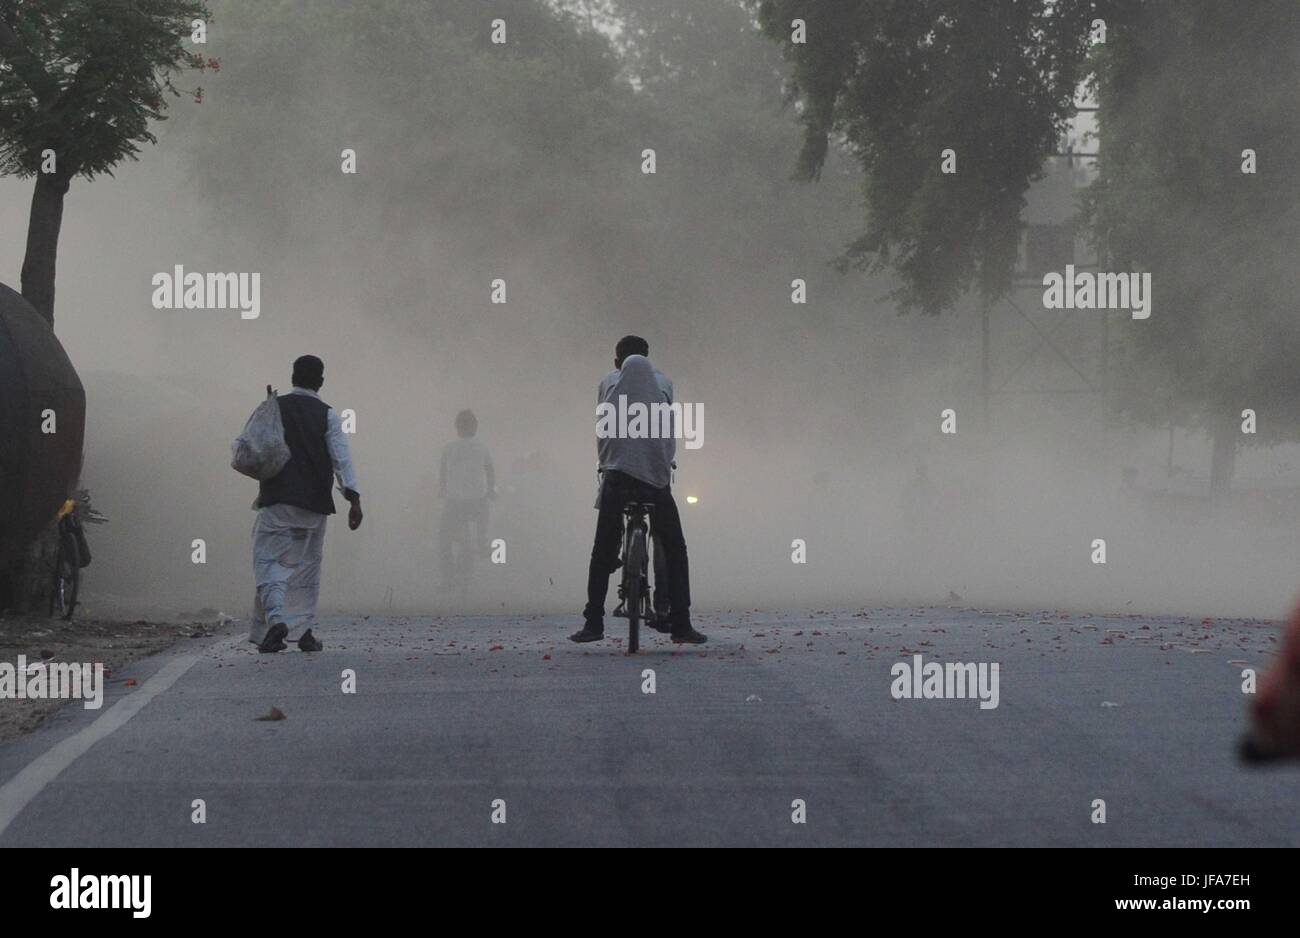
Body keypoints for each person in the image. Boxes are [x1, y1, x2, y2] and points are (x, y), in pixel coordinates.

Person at [571, 336, 706, 644]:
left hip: (617, 479)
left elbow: (604, 426)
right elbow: (666, 429)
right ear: (649, 359)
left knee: (601, 547)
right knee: (675, 548)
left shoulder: (608, 383)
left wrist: (608, 464)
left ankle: (593, 621)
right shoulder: (663, 384)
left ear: (617, 362)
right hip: (655, 483)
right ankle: (682, 622)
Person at [249, 355, 362, 653]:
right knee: (306, 568)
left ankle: (276, 623)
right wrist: (353, 499)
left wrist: (268, 410)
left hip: (277, 500)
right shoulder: (327, 414)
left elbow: (253, 448)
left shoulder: (275, 407)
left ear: (292, 377)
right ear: (321, 382)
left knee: (269, 564)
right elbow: (341, 458)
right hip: (314, 505)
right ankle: (303, 631)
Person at [439, 409, 495, 593]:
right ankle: (482, 541)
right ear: (475, 427)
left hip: (455, 501)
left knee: (444, 538)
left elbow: (443, 474)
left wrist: (441, 492)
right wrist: (491, 490)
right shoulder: (482, 447)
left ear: (457, 428)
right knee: (478, 526)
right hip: (477, 500)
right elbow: (490, 470)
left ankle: (449, 576)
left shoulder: (449, 447)